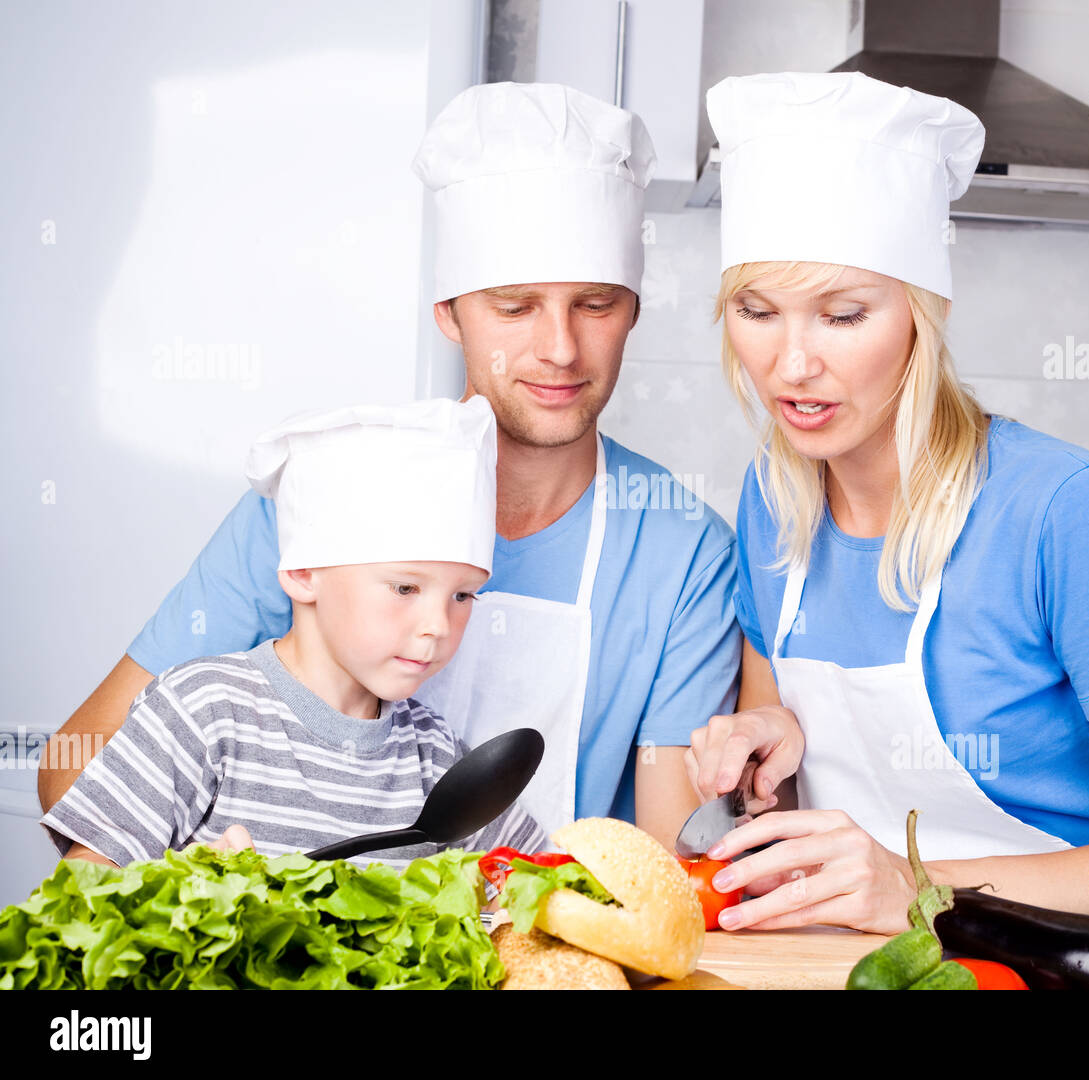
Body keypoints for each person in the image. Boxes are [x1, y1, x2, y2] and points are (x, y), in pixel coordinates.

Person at [38, 81, 753, 849]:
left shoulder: (685, 554)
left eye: (597, 303)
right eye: (514, 307)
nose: (560, 348)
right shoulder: (323, 496)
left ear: (634, 311)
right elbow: (75, 774)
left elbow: (667, 871)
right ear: (448, 313)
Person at [687, 71, 1089, 934]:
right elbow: (792, 807)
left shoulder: (1068, 513)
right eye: (756, 311)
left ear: (922, 312)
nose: (790, 365)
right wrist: (768, 744)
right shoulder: (776, 497)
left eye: (842, 315)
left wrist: (918, 889)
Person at [40, 398, 545, 868]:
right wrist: (188, 892)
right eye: (406, 587)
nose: (438, 626)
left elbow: (537, 885)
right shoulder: (202, 711)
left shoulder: (434, 756)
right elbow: (85, 890)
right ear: (303, 574)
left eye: (463, 595)